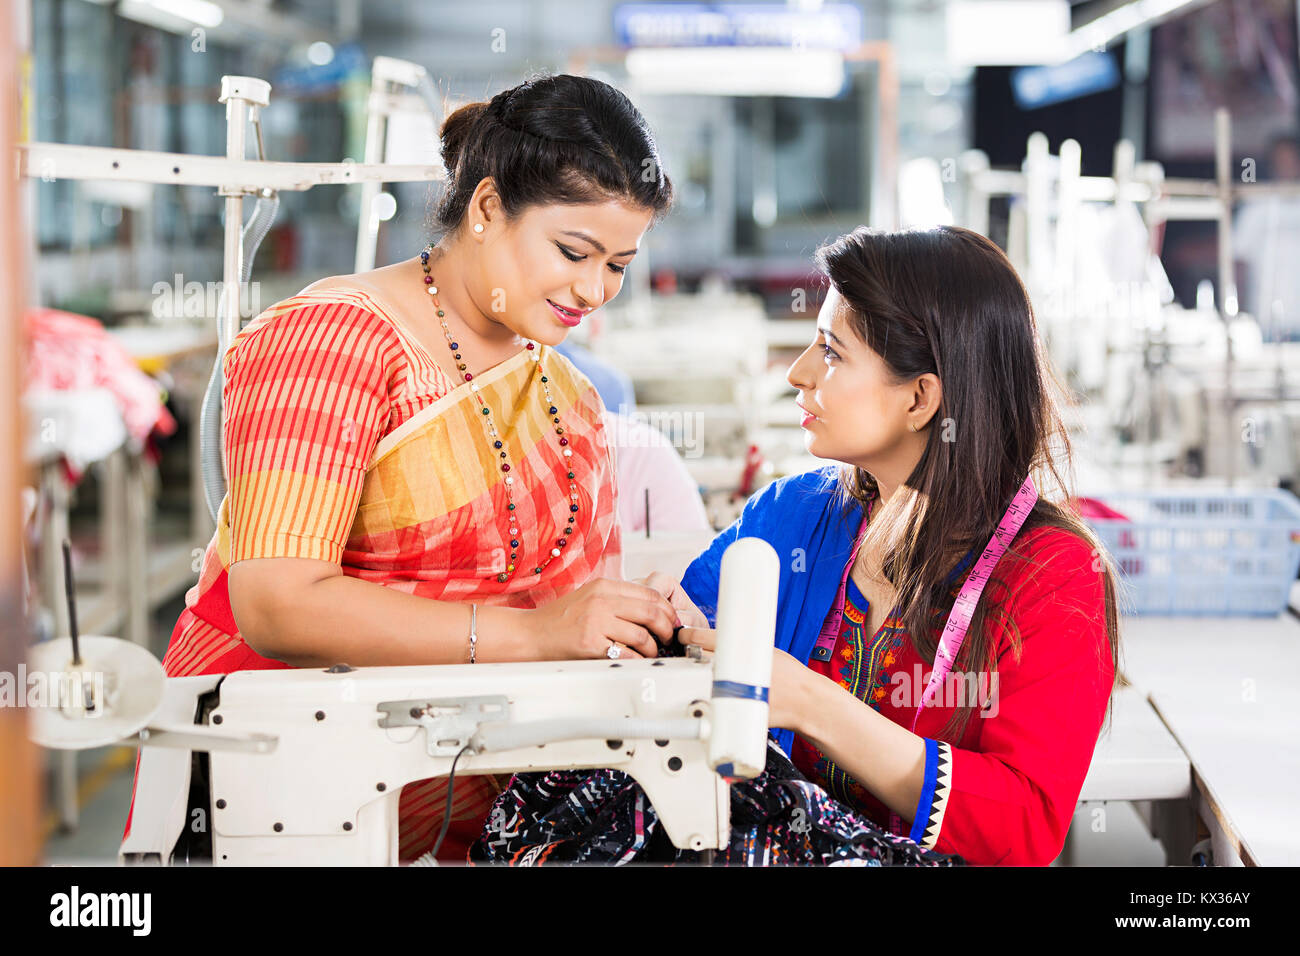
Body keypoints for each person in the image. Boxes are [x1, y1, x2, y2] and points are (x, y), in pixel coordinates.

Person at [122, 73, 680, 863]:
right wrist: (535, 633)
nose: (594, 290)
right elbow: (276, 605)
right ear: (486, 209)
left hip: (455, 788)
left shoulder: (568, 395)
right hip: (281, 787)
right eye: (573, 252)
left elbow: (570, 618)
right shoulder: (336, 340)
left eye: (619, 265)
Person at [473, 225, 1121, 866]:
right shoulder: (798, 514)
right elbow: (681, 659)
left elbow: (1026, 830)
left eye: (831, 352)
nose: (798, 373)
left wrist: (810, 702)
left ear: (922, 399)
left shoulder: (1055, 577)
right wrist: (643, 632)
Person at [1234, 132, 1300, 341]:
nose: (1286, 164)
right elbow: (1238, 263)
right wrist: (1239, 316)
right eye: (1280, 159)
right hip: (1264, 324)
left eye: (1291, 158)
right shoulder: (1255, 207)